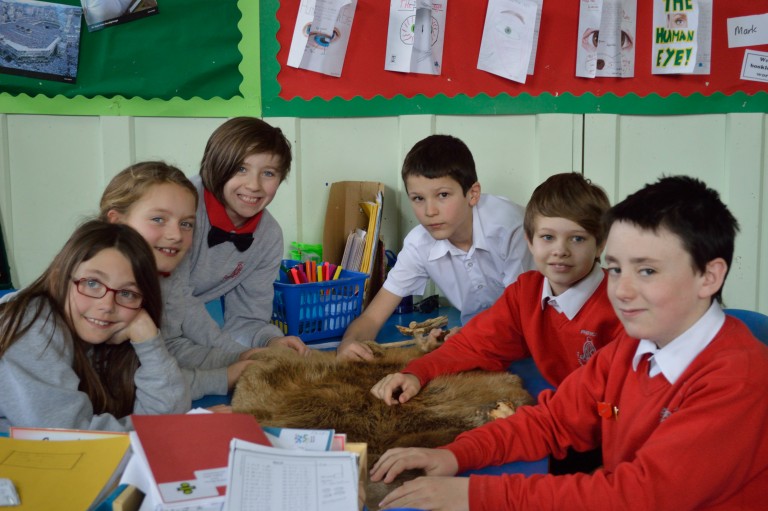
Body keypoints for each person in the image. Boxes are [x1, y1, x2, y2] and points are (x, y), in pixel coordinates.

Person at [370, 175, 768, 510]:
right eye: (615, 269)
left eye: (647, 270)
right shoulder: (634, 347)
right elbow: (553, 420)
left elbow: (638, 496)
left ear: (709, 277)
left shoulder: (737, 378)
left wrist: (477, 493)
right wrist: (454, 455)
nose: (622, 291)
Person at [370, 172, 621, 402]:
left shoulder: (622, 303)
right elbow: (472, 345)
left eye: (577, 238)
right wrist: (416, 373)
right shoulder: (526, 293)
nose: (560, 251)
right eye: (547, 237)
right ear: (530, 242)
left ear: (600, 245)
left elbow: (628, 397)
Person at [338, 134, 533, 361]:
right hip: (480, 346)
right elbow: (372, 318)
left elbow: (520, 318)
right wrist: (349, 343)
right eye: (418, 198)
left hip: (537, 342)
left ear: (473, 194)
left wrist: (465, 338)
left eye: (443, 195)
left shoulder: (511, 226)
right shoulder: (419, 243)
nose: (430, 211)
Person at [0, 220, 189, 432]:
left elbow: (170, 413)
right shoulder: (31, 325)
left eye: (127, 293)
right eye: (92, 283)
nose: (107, 306)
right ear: (59, 275)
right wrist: (156, 430)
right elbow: (69, 438)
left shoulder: (108, 336)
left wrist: (149, 340)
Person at [100, 161, 265, 400]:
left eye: (186, 224)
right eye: (158, 219)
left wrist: (236, 358)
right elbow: (132, 381)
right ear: (116, 222)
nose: (176, 235)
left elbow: (169, 347)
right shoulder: (99, 297)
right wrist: (223, 377)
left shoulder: (164, 276)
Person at [183, 117, 309, 354]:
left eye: (269, 173)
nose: (254, 185)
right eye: (241, 169)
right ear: (216, 165)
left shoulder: (269, 237)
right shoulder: (181, 207)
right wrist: (233, 354)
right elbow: (172, 302)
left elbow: (246, 320)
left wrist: (270, 342)